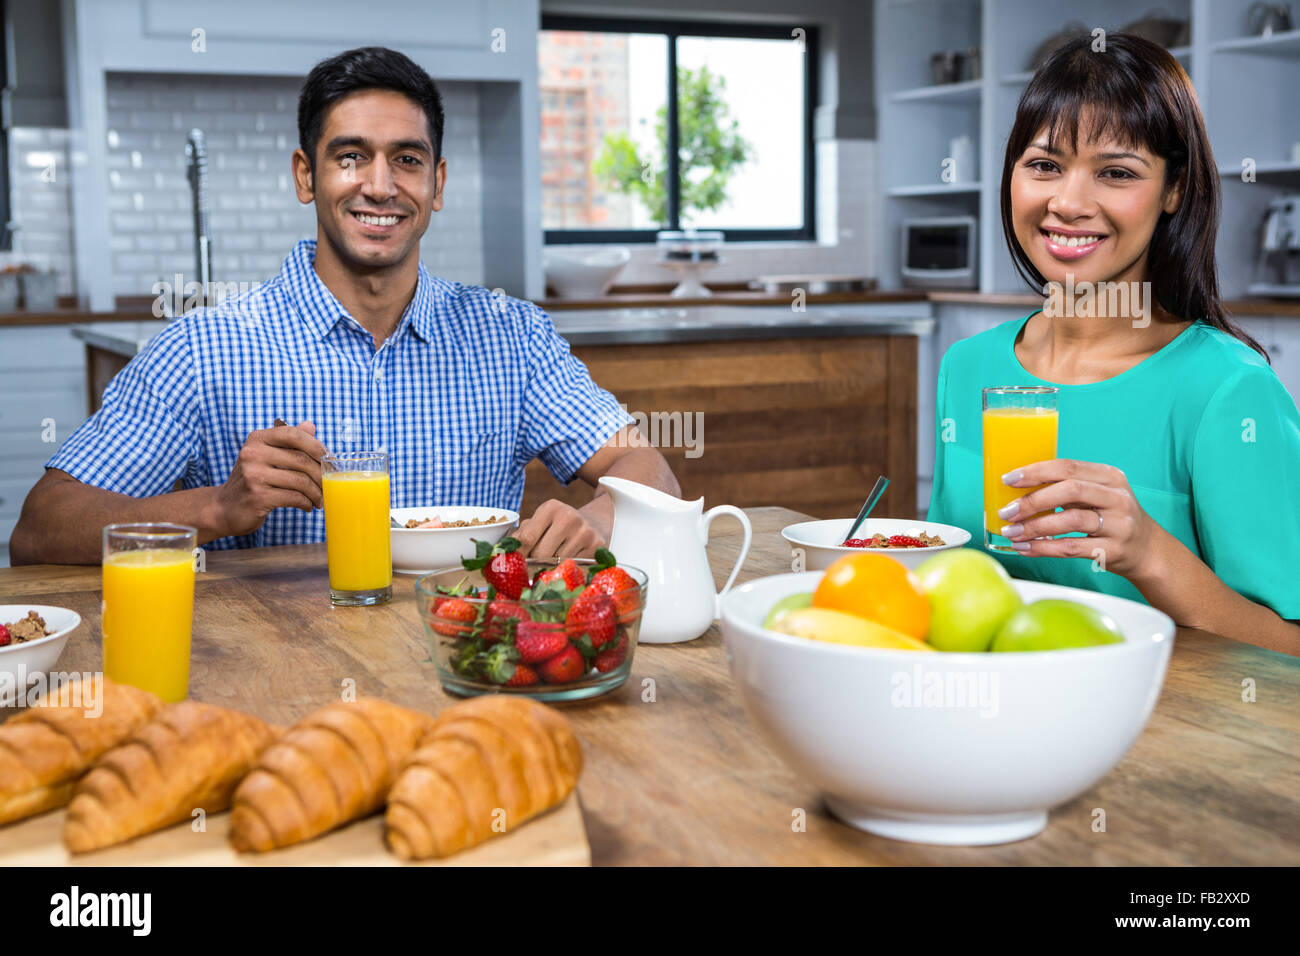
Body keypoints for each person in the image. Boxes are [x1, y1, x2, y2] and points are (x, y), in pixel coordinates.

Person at [10, 46, 678, 565]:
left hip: (465, 664)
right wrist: (217, 507)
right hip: (273, 682)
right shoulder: (202, 349)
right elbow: (40, 529)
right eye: (351, 156)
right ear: (308, 175)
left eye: (408, 159)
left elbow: (649, 467)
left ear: (436, 183)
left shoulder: (513, 337)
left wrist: (598, 519)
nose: (381, 186)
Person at [926, 34, 1300, 655]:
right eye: (1044, 165)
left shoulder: (1228, 391)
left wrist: (1150, 552)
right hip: (984, 731)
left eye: (1116, 173)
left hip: (1164, 743)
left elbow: (1290, 649)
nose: (1068, 203)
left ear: (1173, 191)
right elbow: (956, 580)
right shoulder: (967, 367)